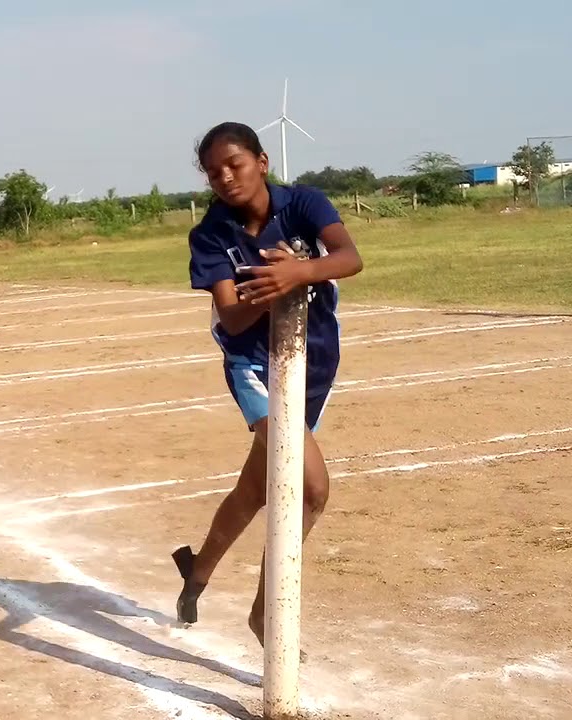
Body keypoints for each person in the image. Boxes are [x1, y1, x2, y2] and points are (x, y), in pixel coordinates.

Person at [171, 122, 364, 651]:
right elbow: (231, 319)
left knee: (257, 488)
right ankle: (264, 614)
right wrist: (272, 284)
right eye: (213, 172)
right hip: (255, 366)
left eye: (234, 163)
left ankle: (196, 569)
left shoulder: (303, 203)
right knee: (312, 488)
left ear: (262, 161)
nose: (225, 177)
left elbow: (349, 258)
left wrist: (302, 271)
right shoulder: (211, 233)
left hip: (312, 362)